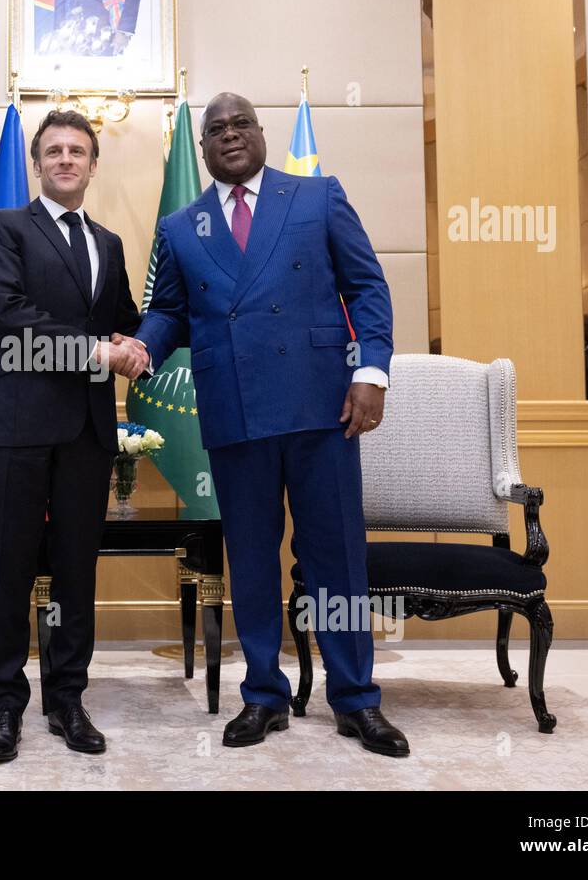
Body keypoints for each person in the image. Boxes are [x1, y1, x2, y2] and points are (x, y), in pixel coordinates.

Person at [127, 92, 410, 757]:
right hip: (235, 412)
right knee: (250, 560)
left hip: (324, 409)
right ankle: (263, 695)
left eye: (240, 125)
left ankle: (355, 698)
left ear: (260, 133)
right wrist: (141, 346)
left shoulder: (317, 197)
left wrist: (372, 372)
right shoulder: (180, 226)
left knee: (335, 557)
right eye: (215, 130)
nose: (229, 135)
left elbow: (367, 287)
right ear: (202, 150)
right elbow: (169, 313)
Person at [0, 109, 150, 763]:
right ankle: (6, 706)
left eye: (78, 150)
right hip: (16, 424)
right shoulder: (4, 228)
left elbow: (126, 317)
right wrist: (102, 355)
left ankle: (68, 699)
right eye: (54, 151)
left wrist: (153, 334)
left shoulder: (109, 243)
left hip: (88, 431)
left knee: (76, 571)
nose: (66, 159)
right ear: (37, 165)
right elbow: (11, 316)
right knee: (11, 570)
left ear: (93, 165)